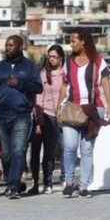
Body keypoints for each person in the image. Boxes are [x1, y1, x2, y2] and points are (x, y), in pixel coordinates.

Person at [57, 28, 110, 198]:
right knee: (69, 147)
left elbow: (105, 84)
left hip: (92, 109)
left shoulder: (98, 61)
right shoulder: (68, 62)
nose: (71, 44)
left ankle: (84, 186)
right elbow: (64, 85)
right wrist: (58, 106)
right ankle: (68, 182)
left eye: (73, 41)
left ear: (83, 42)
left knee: (87, 150)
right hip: (72, 108)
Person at [0, 35, 42, 199]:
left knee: (19, 150)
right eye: (7, 45)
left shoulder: (30, 66)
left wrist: (19, 84)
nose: (8, 48)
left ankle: (13, 185)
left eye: (11, 45)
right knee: (5, 154)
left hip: (21, 114)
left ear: (20, 47)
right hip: (1, 114)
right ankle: (12, 182)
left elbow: (38, 87)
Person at [31, 44, 66, 195]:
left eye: (54, 57)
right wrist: (38, 118)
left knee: (60, 150)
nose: (51, 59)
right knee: (42, 151)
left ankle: (59, 180)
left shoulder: (66, 74)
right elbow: (39, 96)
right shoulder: (44, 74)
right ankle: (42, 182)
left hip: (62, 116)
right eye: (49, 56)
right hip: (45, 115)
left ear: (61, 58)